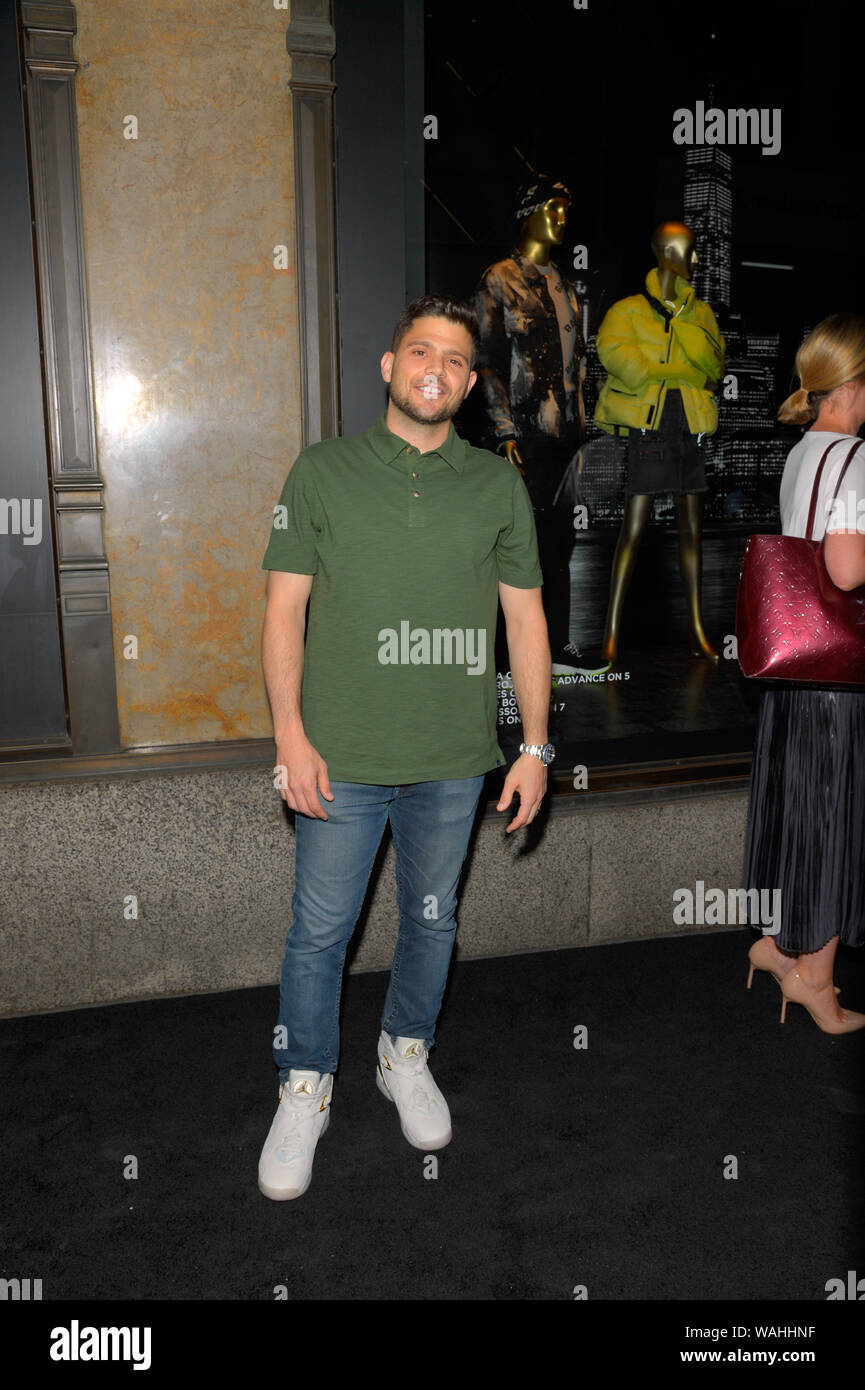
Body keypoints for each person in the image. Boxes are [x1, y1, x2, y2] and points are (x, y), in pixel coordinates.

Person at [257, 294, 553, 1199]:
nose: (437, 367)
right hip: (337, 753)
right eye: (419, 351)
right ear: (388, 367)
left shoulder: (496, 485)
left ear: (468, 383)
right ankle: (304, 1081)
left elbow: (526, 623)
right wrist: (290, 738)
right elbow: (282, 615)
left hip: (454, 758)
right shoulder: (321, 470)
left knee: (433, 922)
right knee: (320, 933)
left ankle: (403, 1053)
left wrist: (535, 747)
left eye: (456, 359)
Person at [742, 313, 865, 1033]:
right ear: (853, 383)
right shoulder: (854, 458)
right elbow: (846, 568)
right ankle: (815, 980)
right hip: (838, 680)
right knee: (834, 817)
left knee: (801, 811)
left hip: (796, 670)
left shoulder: (801, 452)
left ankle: (777, 948)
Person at [471, 177, 590, 674]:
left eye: (566, 211)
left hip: (567, 436)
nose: (562, 220)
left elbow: (575, 366)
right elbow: (489, 360)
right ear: (530, 213)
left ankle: (556, 649)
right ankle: (504, 661)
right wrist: (505, 432)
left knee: (560, 541)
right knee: (518, 544)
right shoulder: (499, 278)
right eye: (554, 210)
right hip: (522, 431)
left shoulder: (564, 283)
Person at [593, 222, 725, 664]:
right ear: (668, 254)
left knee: (693, 531)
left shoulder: (700, 314)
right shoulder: (629, 310)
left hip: (688, 421)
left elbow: (713, 368)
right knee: (632, 529)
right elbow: (614, 354)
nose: (697, 260)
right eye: (690, 251)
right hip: (650, 423)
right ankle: (610, 632)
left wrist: (675, 358)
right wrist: (672, 368)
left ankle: (697, 628)